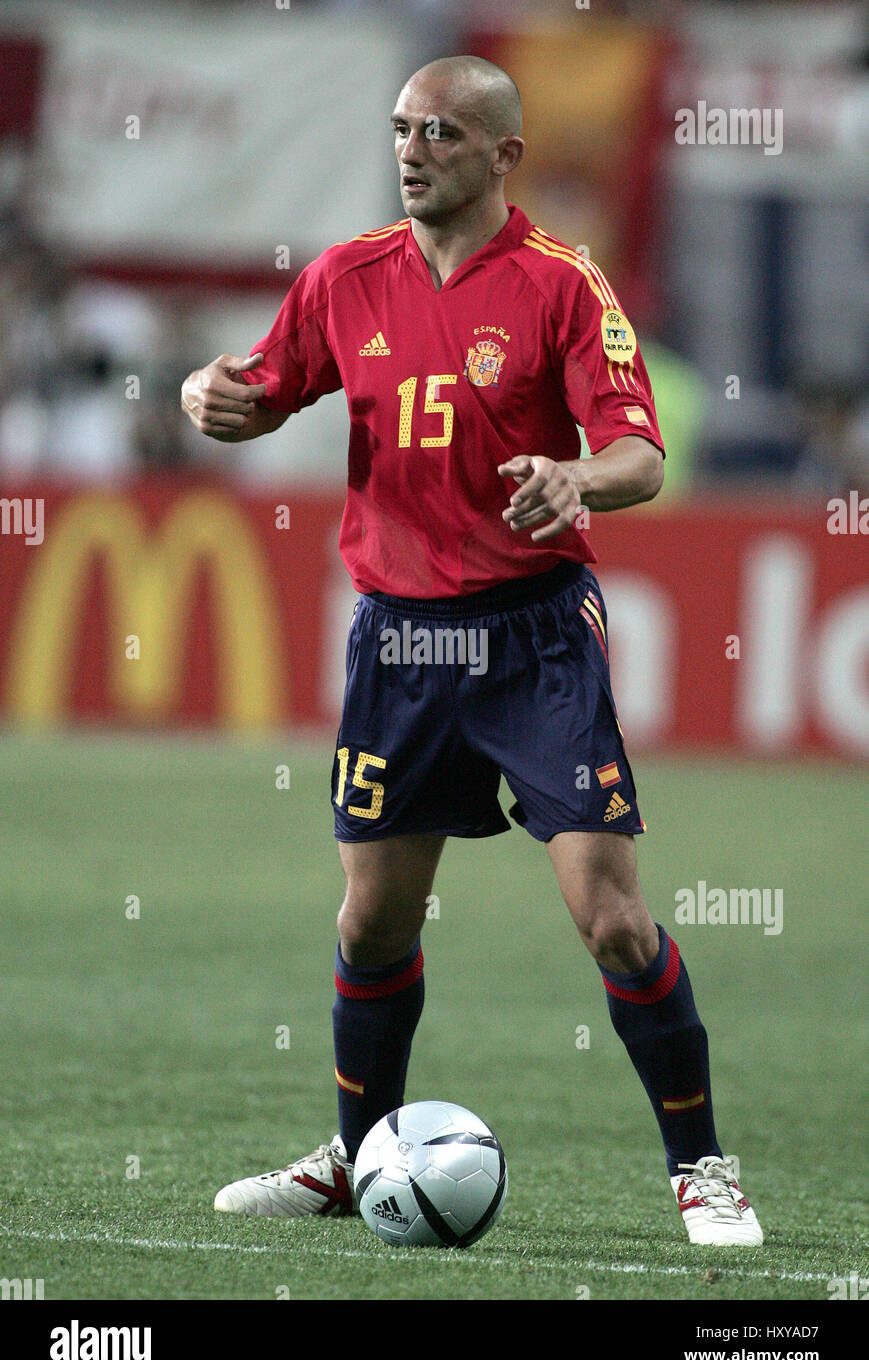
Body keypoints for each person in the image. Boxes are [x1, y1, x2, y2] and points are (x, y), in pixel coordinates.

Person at [181, 56, 762, 1246]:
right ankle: (356, 1155)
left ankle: (700, 1169)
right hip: (397, 642)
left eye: (438, 132)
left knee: (609, 917)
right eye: (398, 128)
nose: (410, 150)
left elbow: (638, 455)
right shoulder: (345, 278)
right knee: (372, 926)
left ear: (501, 156)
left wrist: (573, 475)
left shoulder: (561, 286)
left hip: (533, 634)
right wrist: (209, 393)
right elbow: (260, 383)